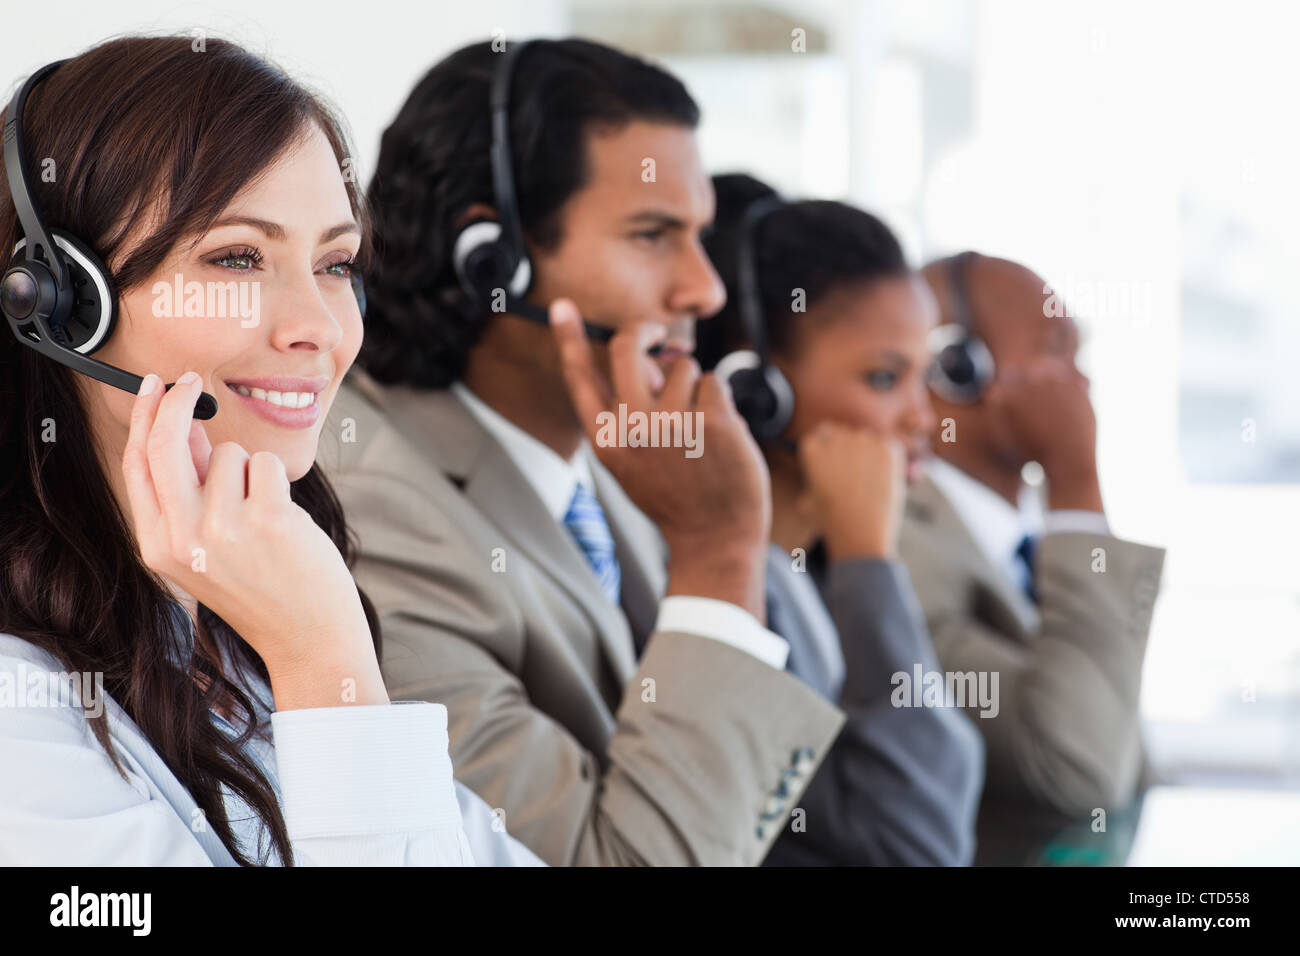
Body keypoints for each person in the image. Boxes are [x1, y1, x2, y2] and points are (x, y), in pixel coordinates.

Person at [0, 36, 540, 866]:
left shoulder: (231, 635)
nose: (320, 328)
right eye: (238, 258)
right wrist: (323, 662)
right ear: (61, 301)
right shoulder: (19, 712)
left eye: (335, 262)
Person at [319, 37, 845, 866]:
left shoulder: (618, 448)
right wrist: (719, 553)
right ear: (488, 257)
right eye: (651, 234)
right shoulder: (370, 512)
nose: (703, 290)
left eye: (700, 235)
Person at [694, 174, 984, 865]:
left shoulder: (816, 571)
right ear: (754, 389)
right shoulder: (728, 599)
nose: (923, 416)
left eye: (926, 374)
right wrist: (867, 563)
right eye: (884, 379)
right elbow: (916, 843)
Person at [900, 250, 1165, 824]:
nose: (1082, 378)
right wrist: (1076, 483)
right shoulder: (900, 547)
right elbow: (1083, 765)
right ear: (955, 366)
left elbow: (1127, 753)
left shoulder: (1030, 537)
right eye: (1054, 347)